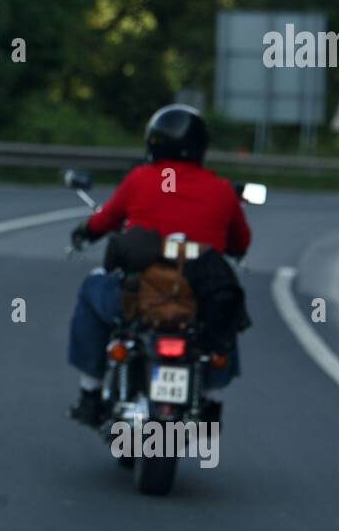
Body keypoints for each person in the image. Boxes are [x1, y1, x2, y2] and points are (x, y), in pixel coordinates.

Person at [67, 104, 251, 426]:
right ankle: (212, 401)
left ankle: (90, 392)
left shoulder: (140, 179)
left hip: (139, 301)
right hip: (197, 303)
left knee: (91, 288)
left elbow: (104, 221)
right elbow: (241, 242)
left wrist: (84, 233)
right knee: (224, 318)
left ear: (154, 143)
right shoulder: (221, 189)